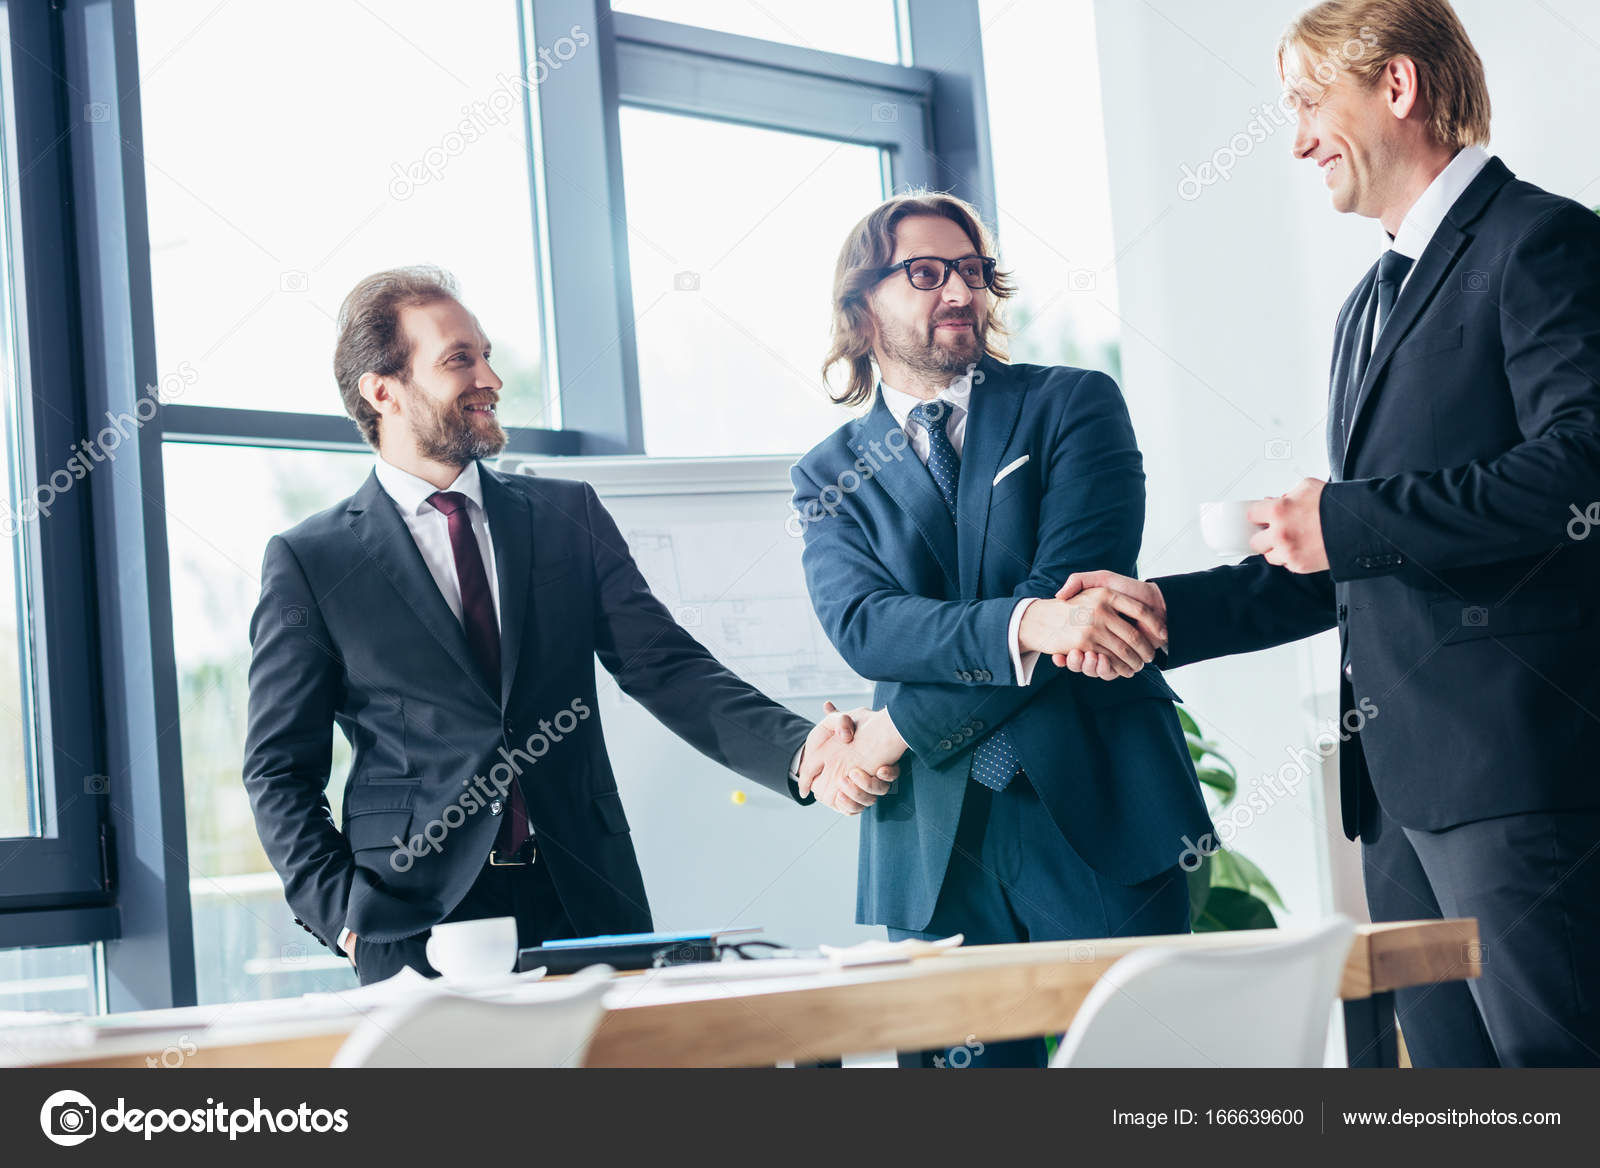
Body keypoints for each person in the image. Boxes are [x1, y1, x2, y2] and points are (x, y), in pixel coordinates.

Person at [1060, 0, 1600, 1066]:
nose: (1299, 139)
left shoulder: (1542, 242)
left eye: (1309, 104)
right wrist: (1165, 613)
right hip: (1396, 809)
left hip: (1521, 785)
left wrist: (1344, 517)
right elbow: (1358, 561)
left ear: (1396, 86)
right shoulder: (1365, 305)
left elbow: (1579, 468)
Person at [243, 266, 896, 985]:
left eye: (487, 355)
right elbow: (279, 769)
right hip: (411, 917)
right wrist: (344, 917)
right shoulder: (314, 560)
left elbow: (665, 668)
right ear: (382, 391)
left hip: (583, 894)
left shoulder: (565, 515)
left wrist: (803, 751)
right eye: (460, 360)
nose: (491, 379)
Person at [790, 193, 1213, 1067]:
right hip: (932, 843)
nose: (960, 291)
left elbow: (1079, 609)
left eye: (973, 270)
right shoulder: (825, 474)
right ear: (861, 306)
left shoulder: (1073, 404)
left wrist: (897, 727)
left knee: (1142, 1093)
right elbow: (868, 628)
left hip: (1099, 802)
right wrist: (1029, 622)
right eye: (925, 272)